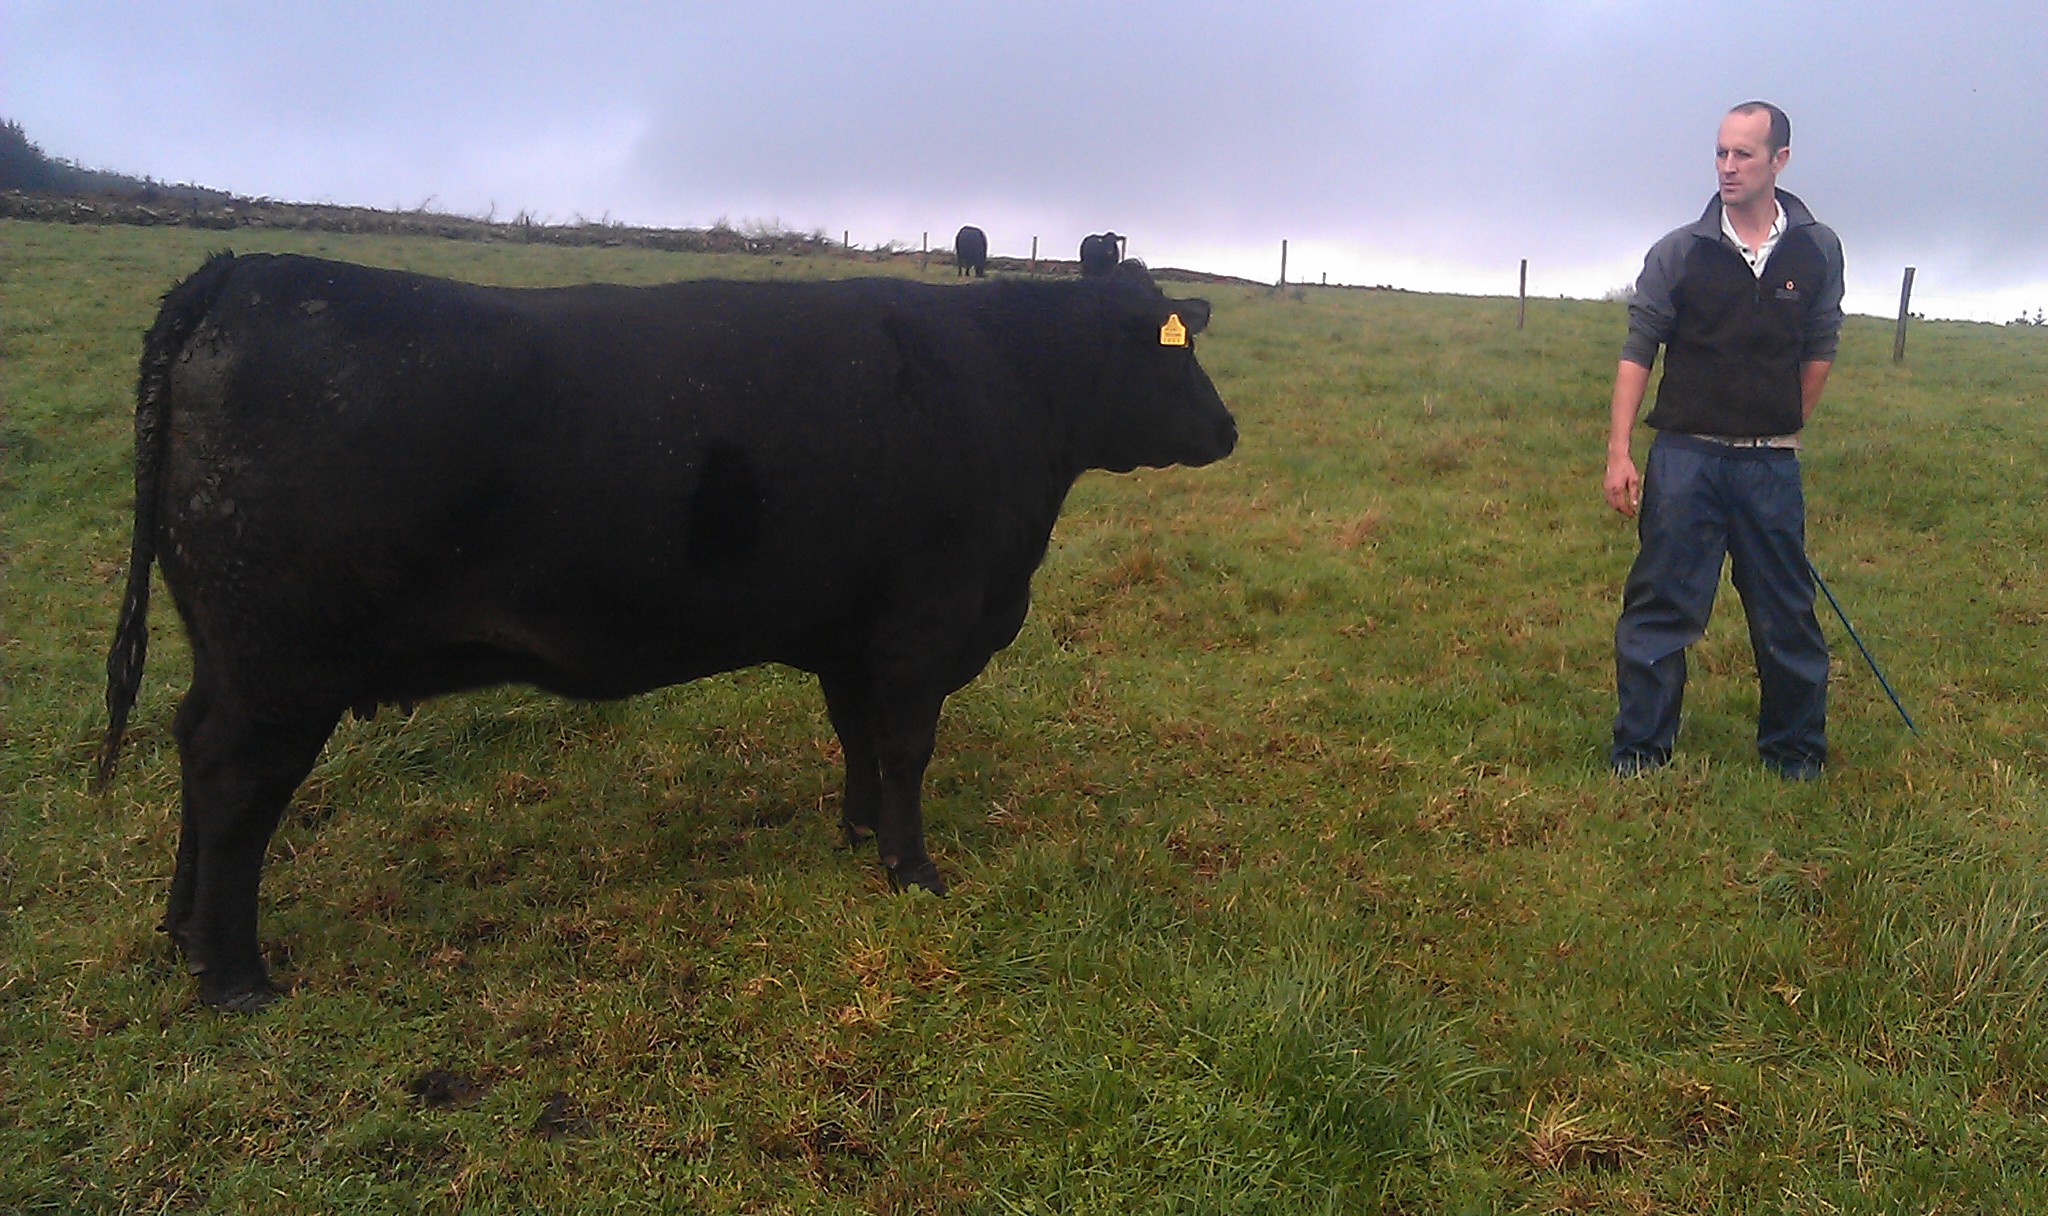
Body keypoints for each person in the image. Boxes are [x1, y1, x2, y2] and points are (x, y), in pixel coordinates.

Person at [1602, 101, 1846, 780]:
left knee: (1785, 615)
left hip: (1770, 466)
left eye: (1743, 154)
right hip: (1684, 458)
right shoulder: (1681, 251)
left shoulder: (1816, 248)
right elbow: (1638, 349)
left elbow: (1821, 341)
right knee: (1659, 611)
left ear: (1780, 161)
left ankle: (1795, 758)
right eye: (1720, 153)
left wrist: (1781, 421)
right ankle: (1641, 755)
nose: (1728, 167)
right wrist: (1621, 453)